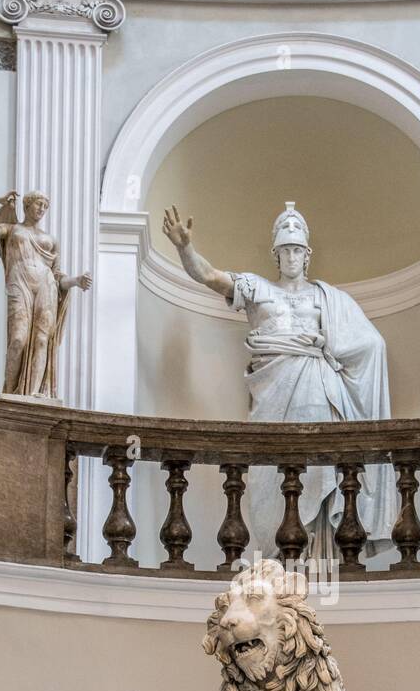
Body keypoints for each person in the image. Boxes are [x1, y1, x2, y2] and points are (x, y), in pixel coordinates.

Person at [163, 201, 396, 561]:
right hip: (273, 399)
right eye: (285, 249)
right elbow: (209, 276)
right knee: (270, 476)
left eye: (297, 250)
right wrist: (184, 247)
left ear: (307, 255)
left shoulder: (328, 299)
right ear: (276, 254)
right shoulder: (257, 289)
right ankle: (278, 560)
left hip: (320, 394)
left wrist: (328, 348)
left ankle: (319, 559)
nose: (291, 256)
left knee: (320, 473)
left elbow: (372, 344)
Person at [0, 190, 91, 400]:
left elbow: (58, 277)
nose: (42, 209)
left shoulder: (50, 240)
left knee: (42, 340)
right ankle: (9, 391)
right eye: (38, 204)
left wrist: (76, 281)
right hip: (20, 283)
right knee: (18, 338)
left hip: (47, 286)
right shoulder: (12, 229)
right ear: (26, 205)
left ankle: (35, 393)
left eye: (45, 206)